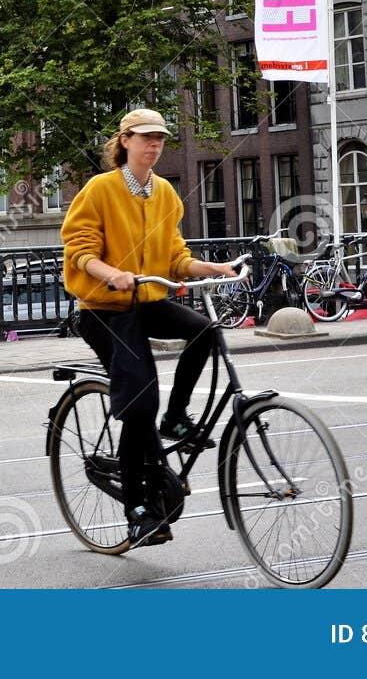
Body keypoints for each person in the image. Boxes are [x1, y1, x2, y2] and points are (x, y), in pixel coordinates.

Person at [61, 108, 240, 549]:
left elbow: (175, 256)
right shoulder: (99, 190)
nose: (154, 145)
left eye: (160, 138)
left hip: (148, 299)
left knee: (205, 331)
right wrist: (110, 274)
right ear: (125, 141)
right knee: (139, 399)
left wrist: (212, 266)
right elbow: (79, 249)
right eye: (145, 138)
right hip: (104, 309)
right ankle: (137, 510)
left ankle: (176, 418)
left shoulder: (165, 194)